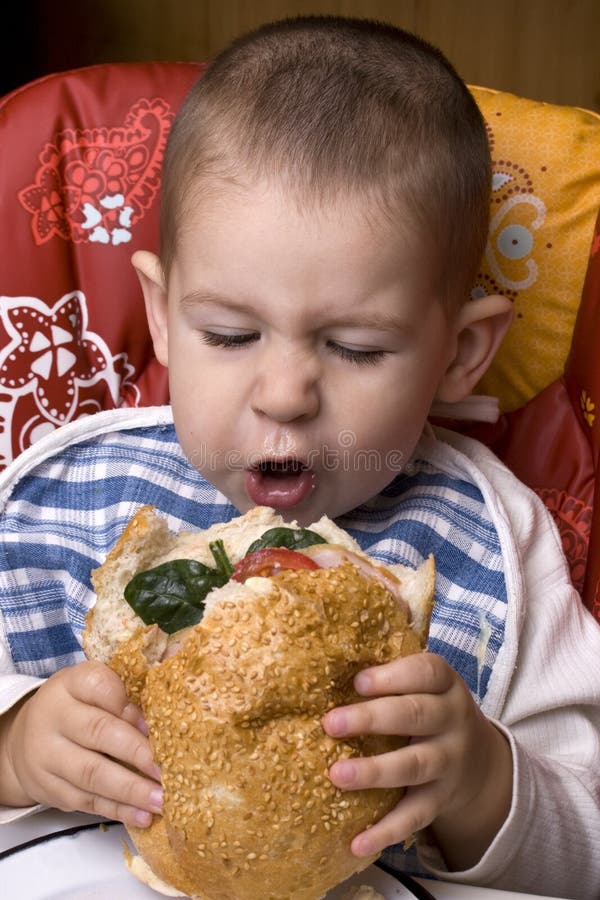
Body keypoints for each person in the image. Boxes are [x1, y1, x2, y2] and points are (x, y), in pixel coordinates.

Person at [0, 15, 599, 898]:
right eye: (230, 333)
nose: (284, 394)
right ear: (163, 316)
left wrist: (480, 782)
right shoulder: (70, 494)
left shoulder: (499, 541)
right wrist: (15, 747)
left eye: (356, 348)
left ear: (461, 354)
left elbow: (586, 849)